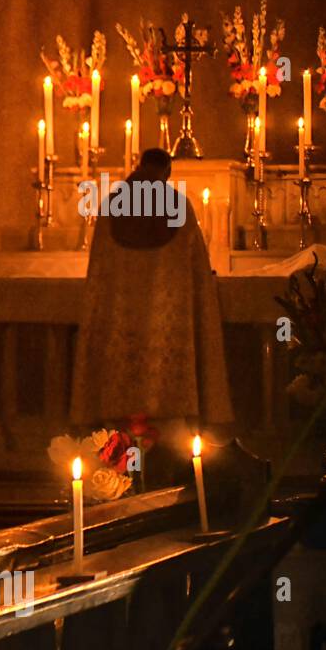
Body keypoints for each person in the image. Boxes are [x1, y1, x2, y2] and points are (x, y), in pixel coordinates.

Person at [70, 148, 233, 458]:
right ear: (166, 172)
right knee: (172, 449)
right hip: (169, 352)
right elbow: (199, 277)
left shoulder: (110, 208)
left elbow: (98, 281)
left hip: (119, 348)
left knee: (117, 443)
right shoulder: (180, 208)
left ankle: (118, 458)